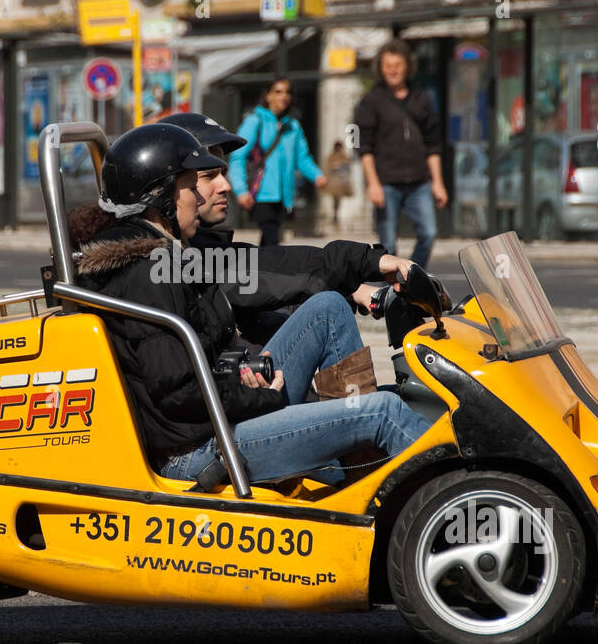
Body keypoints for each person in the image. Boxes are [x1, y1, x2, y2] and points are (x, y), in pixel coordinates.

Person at [69, 122, 436, 487]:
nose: (204, 194)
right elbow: (177, 392)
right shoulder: (151, 273)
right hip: (200, 448)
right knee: (382, 412)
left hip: (218, 416)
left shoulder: (167, 256)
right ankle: (448, 496)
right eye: (192, 184)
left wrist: (365, 270)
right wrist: (255, 396)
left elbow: (272, 268)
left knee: (328, 310)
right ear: (161, 195)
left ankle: (363, 473)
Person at [159, 110, 414, 346]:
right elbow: (264, 271)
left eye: (223, 173)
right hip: (239, 392)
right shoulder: (168, 260)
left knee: (309, 304)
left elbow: (269, 271)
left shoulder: (194, 245)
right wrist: (364, 263)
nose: (226, 185)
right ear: (169, 187)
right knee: (328, 310)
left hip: (245, 387)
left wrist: (357, 287)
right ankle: (357, 397)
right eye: (207, 177)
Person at [353, 39, 447, 268]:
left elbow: (433, 143)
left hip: (420, 181)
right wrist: (372, 183)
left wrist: (438, 182)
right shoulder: (371, 101)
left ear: (407, 66)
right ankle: (392, 291)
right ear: (380, 68)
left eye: (398, 64)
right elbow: (363, 147)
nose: (393, 70)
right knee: (388, 245)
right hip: (386, 182)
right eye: (388, 65)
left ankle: (411, 279)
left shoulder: (422, 97)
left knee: (429, 233)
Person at [229, 76, 326, 247]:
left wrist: (317, 175)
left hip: (284, 194)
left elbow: (302, 158)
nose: (284, 96)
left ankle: (260, 270)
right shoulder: (255, 121)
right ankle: (268, 271)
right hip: (260, 193)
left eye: (287, 92)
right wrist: (241, 190)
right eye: (278, 91)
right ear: (268, 96)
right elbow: (237, 156)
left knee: (271, 240)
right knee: (271, 236)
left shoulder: (293, 126)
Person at [323, 140, 354, 227]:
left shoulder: (343, 156)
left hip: (341, 182)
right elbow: (329, 167)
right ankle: (335, 216)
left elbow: (348, 165)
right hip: (335, 183)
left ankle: (336, 216)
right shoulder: (332, 156)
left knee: (338, 200)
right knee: (336, 200)